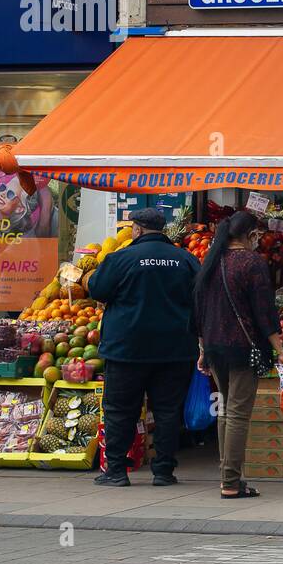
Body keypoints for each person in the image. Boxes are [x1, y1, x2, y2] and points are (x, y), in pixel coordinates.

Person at [84, 208, 200, 487]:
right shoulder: (186, 259)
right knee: (168, 411)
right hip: (174, 349)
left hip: (127, 349)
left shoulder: (120, 258)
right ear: (162, 229)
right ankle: (163, 471)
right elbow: (200, 297)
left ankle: (116, 470)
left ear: (136, 230)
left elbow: (97, 290)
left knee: (120, 410)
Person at [193, 210, 283, 499]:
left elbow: (199, 309)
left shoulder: (211, 261)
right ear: (249, 235)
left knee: (225, 410)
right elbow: (264, 311)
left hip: (214, 347)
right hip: (242, 348)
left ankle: (228, 475)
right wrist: (280, 350)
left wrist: (201, 348)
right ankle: (231, 482)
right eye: (257, 235)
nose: (259, 241)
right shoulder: (252, 263)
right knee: (237, 414)